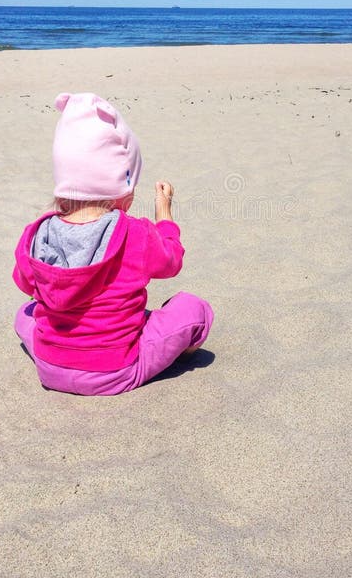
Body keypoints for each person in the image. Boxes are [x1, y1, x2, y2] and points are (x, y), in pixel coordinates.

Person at [13, 92, 214, 396]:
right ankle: (176, 353)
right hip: (115, 370)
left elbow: (24, 282)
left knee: (25, 313)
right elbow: (172, 261)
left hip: (49, 365)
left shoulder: (35, 234)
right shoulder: (136, 232)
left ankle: (65, 354)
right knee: (193, 308)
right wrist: (164, 216)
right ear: (123, 186)